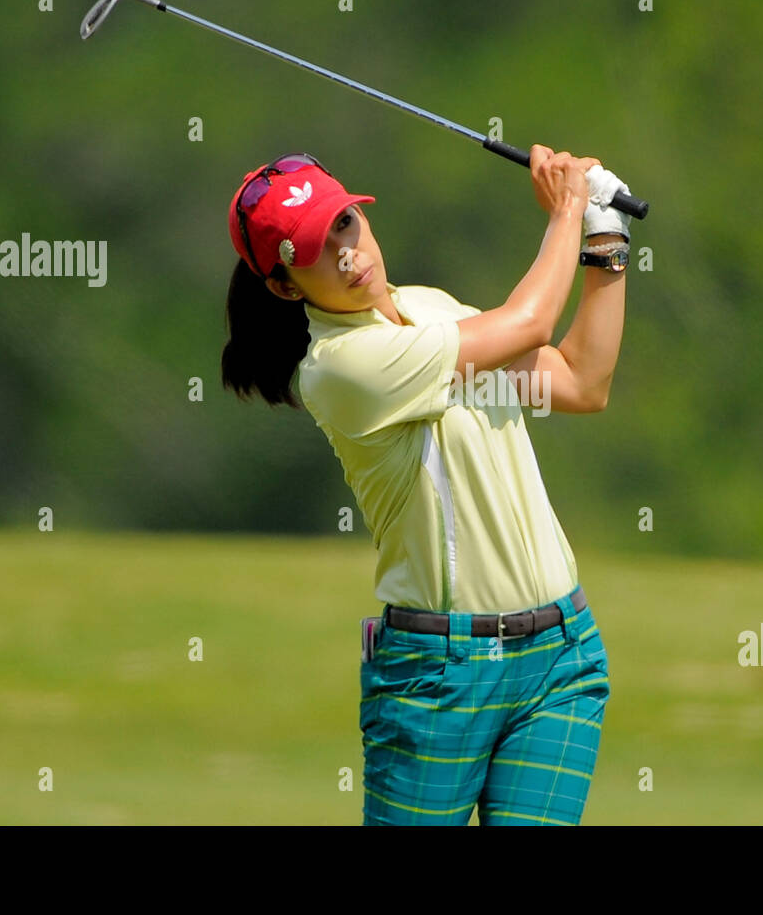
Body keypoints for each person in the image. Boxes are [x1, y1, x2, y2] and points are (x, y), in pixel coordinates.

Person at [221, 146, 632, 825]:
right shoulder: (341, 368)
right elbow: (530, 321)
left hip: (560, 657)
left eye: (346, 224)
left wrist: (606, 235)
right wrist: (568, 211)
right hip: (439, 674)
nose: (347, 253)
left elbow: (581, 382)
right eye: (319, 250)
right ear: (286, 286)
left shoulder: (433, 308)